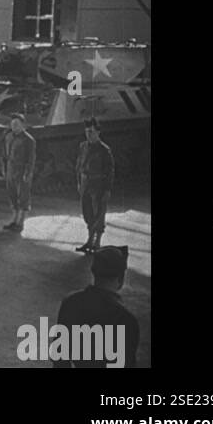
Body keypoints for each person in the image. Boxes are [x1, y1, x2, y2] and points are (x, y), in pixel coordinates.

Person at [54, 246, 138, 368]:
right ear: (121, 278)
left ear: (93, 271)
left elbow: (60, 358)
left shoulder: (71, 302)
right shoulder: (126, 319)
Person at [75, 117, 115, 253]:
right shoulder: (83, 146)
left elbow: (110, 171)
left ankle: (97, 243)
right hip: (85, 183)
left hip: (98, 184)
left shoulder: (104, 150)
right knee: (87, 213)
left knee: (99, 213)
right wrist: (79, 182)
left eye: (91, 131)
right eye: (87, 131)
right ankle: (89, 240)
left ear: (98, 132)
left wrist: (107, 189)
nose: (89, 134)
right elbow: (79, 165)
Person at [3, 113, 36, 232]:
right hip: (10, 170)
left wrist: (28, 174)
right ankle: (14, 219)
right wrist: (4, 169)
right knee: (12, 196)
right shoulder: (9, 137)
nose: (14, 126)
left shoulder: (29, 140)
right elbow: (5, 154)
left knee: (23, 197)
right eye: (12, 124)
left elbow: (31, 159)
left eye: (17, 124)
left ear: (23, 125)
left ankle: (20, 222)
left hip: (21, 171)